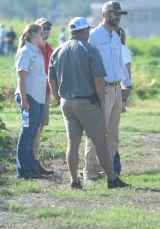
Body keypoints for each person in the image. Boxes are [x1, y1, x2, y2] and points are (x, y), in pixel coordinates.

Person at [48, 16, 129, 190]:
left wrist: (58, 99)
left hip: (67, 103)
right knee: (100, 142)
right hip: (87, 102)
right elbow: (99, 80)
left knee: (72, 143)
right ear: (84, 31)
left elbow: (52, 80)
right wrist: (101, 102)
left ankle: (74, 181)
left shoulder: (57, 50)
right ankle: (112, 179)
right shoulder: (89, 49)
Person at [83, 1, 131, 181]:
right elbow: (86, 63)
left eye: (120, 14)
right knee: (96, 132)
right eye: (115, 13)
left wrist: (126, 84)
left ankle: (107, 170)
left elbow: (120, 63)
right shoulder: (93, 36)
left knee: (113, 134)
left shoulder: (116, 37)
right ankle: (90, 171)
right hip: (101, 89)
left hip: (116, 89)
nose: (118, 17)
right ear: (105, 14)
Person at [14, 23, 48, 179]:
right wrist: (24, 99)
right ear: (33, 34)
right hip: (29, 97)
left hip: (39, 97)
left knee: (33, 132)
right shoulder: (26, 52)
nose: (44, 35)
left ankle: (30, 167)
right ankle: (24, 170)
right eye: (41, 32)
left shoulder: (38, 51)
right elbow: (21, 77)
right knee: (27, 132)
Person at [32, 17, 55, 175]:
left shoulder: (51, 49)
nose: (45, 30)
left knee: (40, 128)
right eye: (42, 27)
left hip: (46, 91)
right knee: (34, 128)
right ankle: (31, 162)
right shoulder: (33, 49)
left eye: (48, 27)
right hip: (35, 92)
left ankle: (34, 161)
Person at [112, 26, 133, 176]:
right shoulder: (120, 48)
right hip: (114, 90)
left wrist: (124, 98)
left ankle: (114, 166)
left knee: (111, 129)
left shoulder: (122, 49)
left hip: (117, 90)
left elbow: (127, 73)